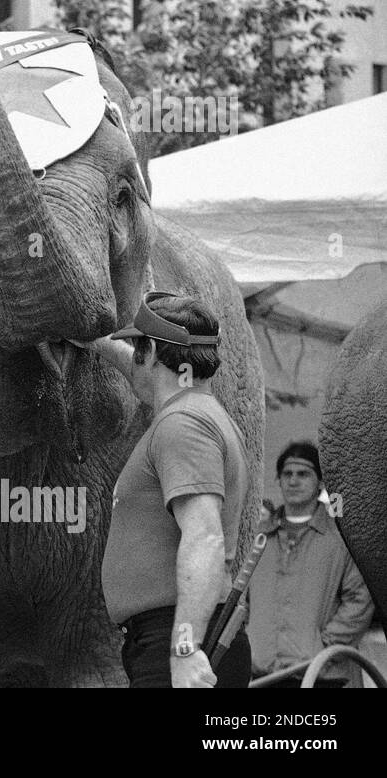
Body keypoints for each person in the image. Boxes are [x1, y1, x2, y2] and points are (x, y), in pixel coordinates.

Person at [89, 291, 250, 688]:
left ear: (152, 355)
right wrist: (95, 342)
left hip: (178, 638)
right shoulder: (195, 410)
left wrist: (184, 648)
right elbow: (149, 373)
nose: (134, 357)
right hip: (178, 633)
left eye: (137, 348)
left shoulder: (182, 425)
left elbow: (204, 538)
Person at [248, 442, 374, 687]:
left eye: (303, 473)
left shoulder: (340, 537)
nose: (293, 481)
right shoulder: (259, 538)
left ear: (320, 483)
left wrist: (324, 645)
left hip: (322, 676)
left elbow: (360, 599)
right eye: (287, 474)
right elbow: (241, 601)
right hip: (263, 674)